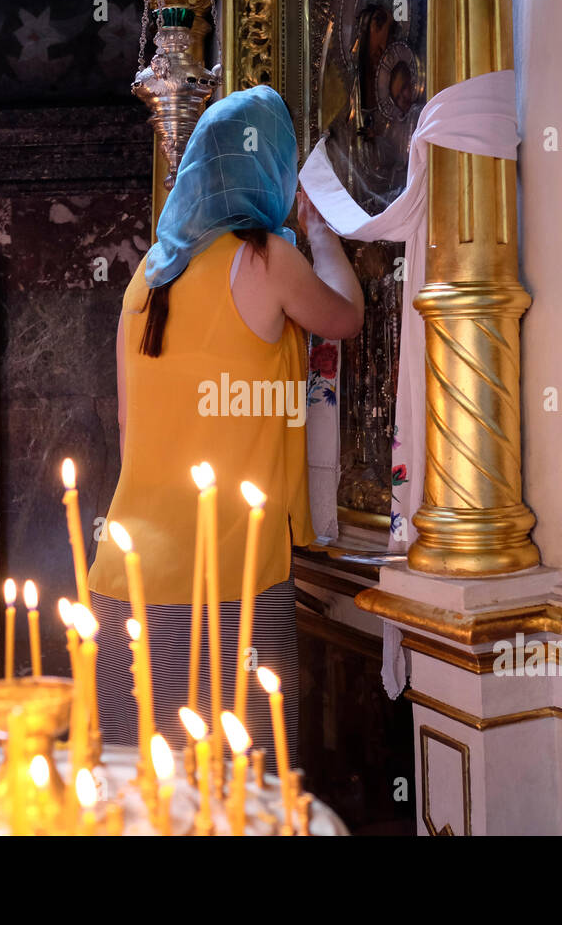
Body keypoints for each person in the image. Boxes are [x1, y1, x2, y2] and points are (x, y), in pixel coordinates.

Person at [86, 85, 363, 772]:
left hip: (125, 586)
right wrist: (322, 235)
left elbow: (129, 429)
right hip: (230, 584)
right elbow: (346, 317)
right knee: (247, 804)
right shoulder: (265, 256)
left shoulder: (146, 281)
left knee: (141, 807)